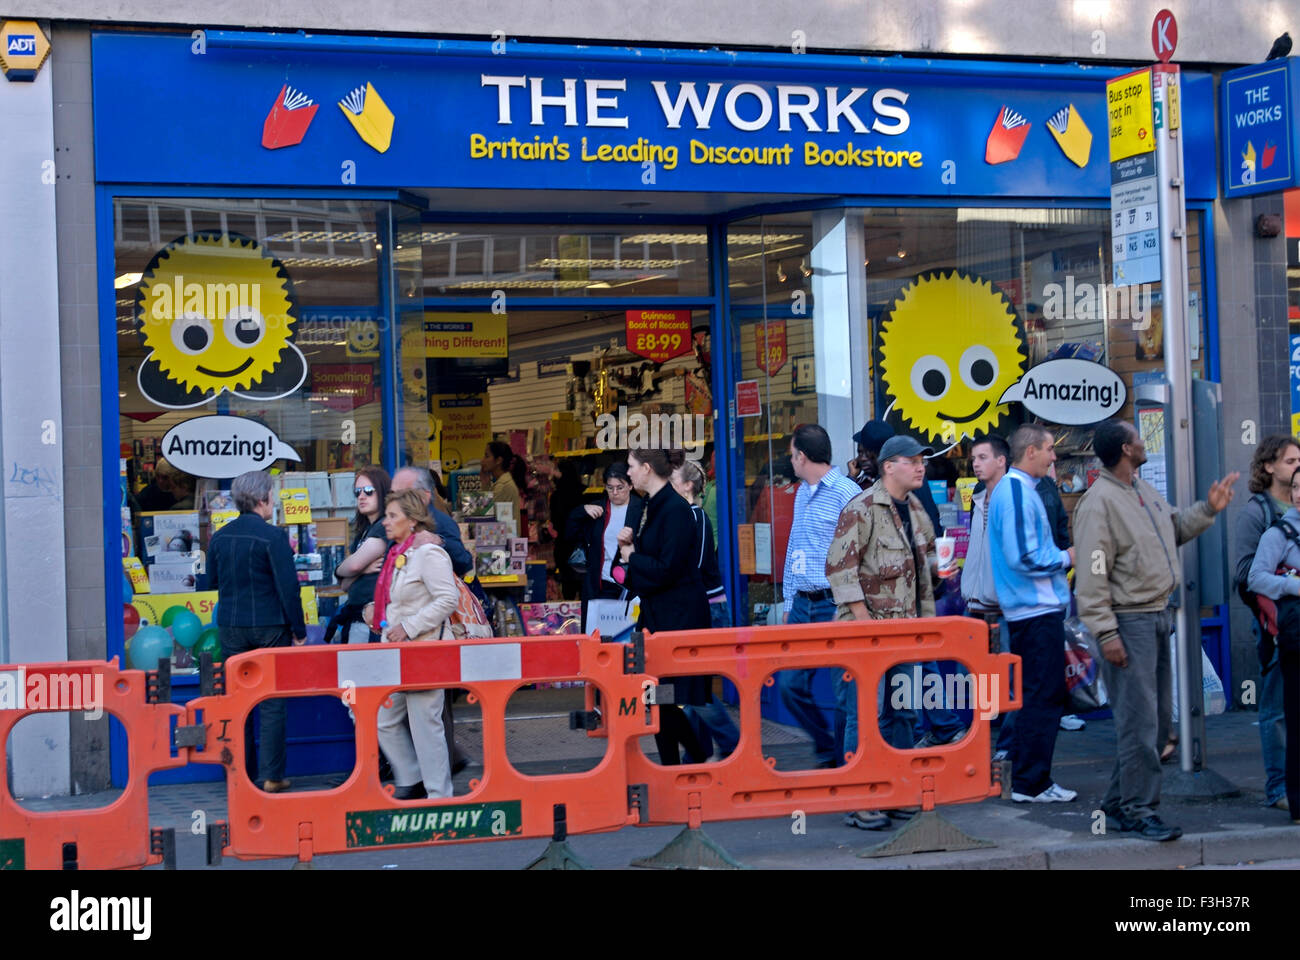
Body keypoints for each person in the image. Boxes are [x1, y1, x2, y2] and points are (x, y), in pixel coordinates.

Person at [1074, 419, 1236, 840]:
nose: (1144, 443)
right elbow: (1092, 576)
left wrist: (1209, 509)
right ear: (1127, 450)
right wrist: (1106, 633)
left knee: (1153, 722)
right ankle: (1139, 810)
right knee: (1141, 724)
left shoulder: (1139, 491)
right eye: (1138, 438)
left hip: (1155, 615)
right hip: (1129, 622)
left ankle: (1117, 804)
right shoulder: (1099, 503)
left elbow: (1174, 529)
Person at [827, 434, 938, 831]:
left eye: (921, 460)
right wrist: (864, 626)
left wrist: (942, 572)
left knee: (904, 712)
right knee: (865, 714)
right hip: (868, 635)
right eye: (912, 460)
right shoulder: (861, 508)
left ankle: (900, 790)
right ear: (890, 466)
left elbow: (926, 564)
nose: (920, 466)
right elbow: (840, 570)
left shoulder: (916, 508)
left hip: (907, 632)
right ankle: (862, 797)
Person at [987, 423, 1077, 805]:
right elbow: (1023, 556)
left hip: (1028, 611)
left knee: (1034, 696)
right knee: (1044, 697)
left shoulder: (1015, 490)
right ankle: (1031, 782)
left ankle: (1028, 779)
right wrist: (1066, 557)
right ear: (1031, 453)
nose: (1054, 456)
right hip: (1034, 611)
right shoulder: (1018, 492)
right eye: (1049, 449)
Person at [610, 447, 710, 765]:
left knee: (661, 698)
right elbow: (648, 566)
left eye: (631, 467)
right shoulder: (653, 506)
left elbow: (667, 568)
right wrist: (628, 550)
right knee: (655, 698)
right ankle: (680, 766)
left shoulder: (674, 510)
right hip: (658, 617)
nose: (628, 473)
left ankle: (689, 761)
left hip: (676, 618)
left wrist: (632, 556)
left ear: (647, 469)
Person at [208, 470, 306, 794]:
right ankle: (272, 776)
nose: (273, 502)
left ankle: (239, 773)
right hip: (270, 629)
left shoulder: (220, 537)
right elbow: (289, 589)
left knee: (238, 702)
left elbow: (210, 584)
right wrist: (299, 631)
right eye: (272, 497)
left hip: (232, 628)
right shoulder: (274, 538)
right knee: (272, 702)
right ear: (262, 500)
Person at [366, 490, 461, 800]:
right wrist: (376, 610)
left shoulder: (428, 553)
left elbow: (448, 599)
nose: (385, 522)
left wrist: (408, 626)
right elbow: (399, 600)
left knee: (425, 726)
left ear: (413, 519)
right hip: (395, 654)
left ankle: (438, 796)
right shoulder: (399, 553)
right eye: (386, 515)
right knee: (382, 719)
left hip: (423, 651)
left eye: (393, 516)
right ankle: (414, 779)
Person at [778, 424, 862, 770]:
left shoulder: (847, 492)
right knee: (789, 684)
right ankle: (827, 749)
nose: (791, 461)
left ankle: (845, 766)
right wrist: (788, 600)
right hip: (802, 604)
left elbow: (860, 552)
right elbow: (796, 546)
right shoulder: (802, 492)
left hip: (835, 603)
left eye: (792, 454)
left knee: (844, 693)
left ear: (803, 456)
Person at [392, 465, 476, 776]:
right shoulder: (401, 527)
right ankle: (426, 771)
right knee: (408, 712)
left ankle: (436, 777)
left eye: (403, 494)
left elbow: (461, 564)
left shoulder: (437, 527)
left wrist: (435, 542)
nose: (394, 501)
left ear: (425, 497)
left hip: (430, 633)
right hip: (410, 634)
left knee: (433, 708)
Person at [1234, 434, 1299, 812]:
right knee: (1276, 705)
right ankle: (1278, 787)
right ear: (1269, 466)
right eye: (1289, 461)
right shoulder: (1258, 513)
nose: (1296, 467)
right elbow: (1246, 574)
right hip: (1276, 623)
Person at [672, 457, 740, 760]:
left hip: (706, 608)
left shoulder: (695, 517)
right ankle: (698, 753)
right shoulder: (686, 516)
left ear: (688, 486)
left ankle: (732, 744)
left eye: (672, 480)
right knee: (692, 687)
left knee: (693, 689)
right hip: (702, 606)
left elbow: (695, 566)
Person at [962, 434, 1015, 761]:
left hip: (1006, 606)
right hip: (977, 604)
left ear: (1001, 460)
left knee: (1010, 678)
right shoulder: (978, 498)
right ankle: (981, 746)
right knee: (981, 681)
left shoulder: (1015, 497)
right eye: (973, 459)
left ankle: (1007, 748)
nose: (976, 464)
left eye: (982, 457)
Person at [565, 461, 644, 612]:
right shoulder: (598, 509)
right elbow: (569, 533)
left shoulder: (641, 510)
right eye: (610, 487)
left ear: (630, 485)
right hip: (601, 582)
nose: (615, 492)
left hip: (631, 586)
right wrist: (581, 511)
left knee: (629, 633)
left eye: (620, 487)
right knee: (598, 633)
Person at [332, 465, 392, 645]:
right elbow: (345, 584)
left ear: (382, 492)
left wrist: (351, 570)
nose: (362, 496)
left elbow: (352, 566)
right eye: (357, 492)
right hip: (358, 618)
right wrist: (362, 570)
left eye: (368, 491)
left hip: (374, 620)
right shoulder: (364, 531)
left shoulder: (383, 526)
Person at [482, 441, 524, 534]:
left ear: (498, 460)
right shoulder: (500, 483)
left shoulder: (503, 486)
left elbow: (486, 513)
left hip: (504, 542)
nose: (482, 461)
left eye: (487, 456)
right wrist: (485, 484)